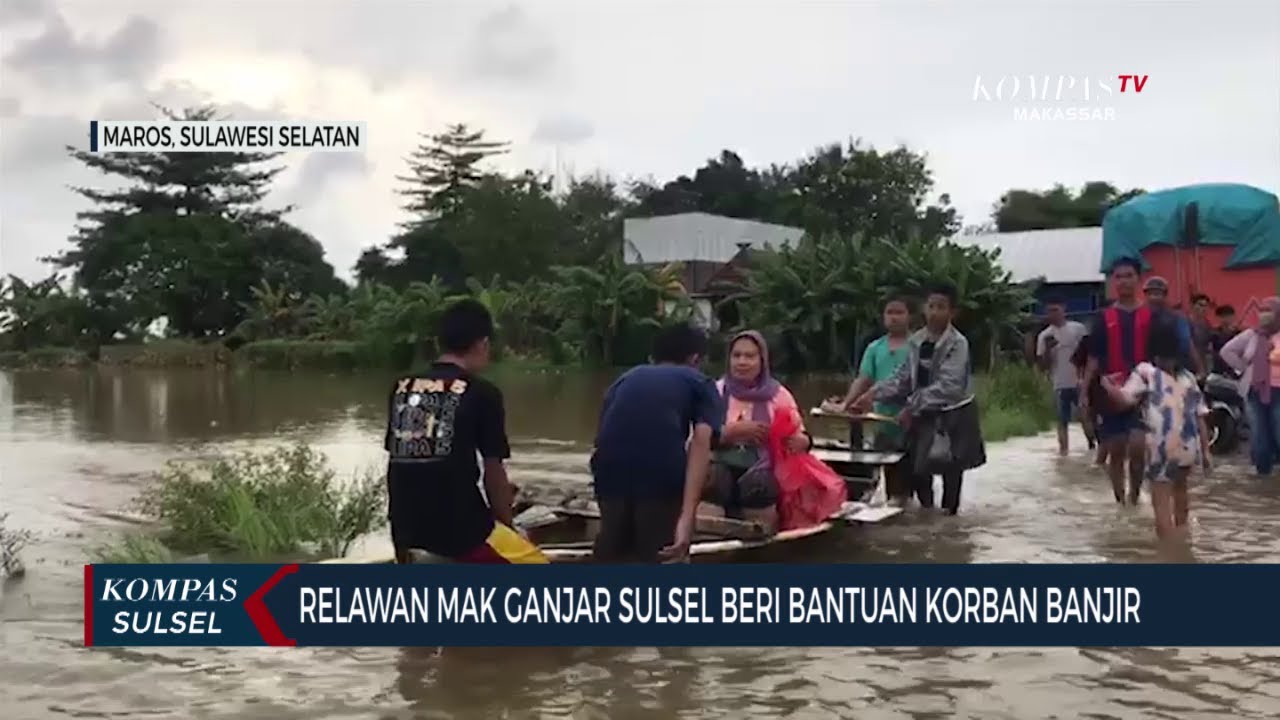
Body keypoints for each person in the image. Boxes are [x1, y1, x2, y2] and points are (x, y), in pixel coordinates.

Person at [384, 299, 548, 564]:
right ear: (482, 344)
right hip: (462, 537)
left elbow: (401, 462)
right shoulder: (483, 393)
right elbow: (493, 475)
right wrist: (509, 530)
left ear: (440, 344)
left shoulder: (402, 388)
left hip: (405, 532)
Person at [852, 282, 986, 515]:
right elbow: (903, 378)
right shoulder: (916, 341)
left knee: (950, 476)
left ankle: (948, 529)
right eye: (931, 306)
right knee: (920, 473)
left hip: (953, 418)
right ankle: (928, 524)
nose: (934, 312)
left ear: (952, 312)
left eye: (941, 307)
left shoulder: (958, 343)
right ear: (924, 308)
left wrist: (910, 407)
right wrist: (873, 394)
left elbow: (949, 387)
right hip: (923, 417)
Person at [590, 323, 721, 562]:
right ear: (695, 359)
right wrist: (686, 517)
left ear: (654, 357)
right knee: (659, 553)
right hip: (660, 473)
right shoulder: (700, 382)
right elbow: (701, 442)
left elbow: (604, 435)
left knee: (612, 550)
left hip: (607, 471)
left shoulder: (624, 379)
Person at [1102, 315, 1211, 540]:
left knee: (1161, 502)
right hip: (1187, 446)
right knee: (1181, 495)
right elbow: (1200, 416)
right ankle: (1182, 542)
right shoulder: (1188, 378)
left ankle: (1169, 552)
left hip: (1161, 447)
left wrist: (1106, 384)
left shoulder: (1145, 373)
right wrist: (1206, 452)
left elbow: (1125, 401)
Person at [701, 330, 811, 530]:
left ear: (762, 361)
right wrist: (730, 432)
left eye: (749, 356)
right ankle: (708, 535)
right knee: (712, 478)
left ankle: (758, 540)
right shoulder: (714, 391)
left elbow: (800, 435)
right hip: (720, 466)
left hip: (762, 470)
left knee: (758, 484)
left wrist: (802, 442)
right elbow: (695, 439)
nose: (742, 362)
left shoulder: (779, 395)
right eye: (737, 356)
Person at [825, 295, 913, 503]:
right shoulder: (875, 348)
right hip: (882, 421)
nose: (894, 317)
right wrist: (846, 404)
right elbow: (863, 378)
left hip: (912, 421)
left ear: (910, 316)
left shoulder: (918, 346)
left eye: (899, 312)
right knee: (884, 477)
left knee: (912, 480)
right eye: (890, 312)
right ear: (883, 317)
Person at [1083, 258, 1151, 505]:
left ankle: (1134, 494)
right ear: (1113, 282)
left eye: (1128, 275)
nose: (1123, 281)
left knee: (1137, 445)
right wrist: (1084, 393)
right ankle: (1120, 500)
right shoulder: (1103, 318)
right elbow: (1093, 358)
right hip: (1109, 390)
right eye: (1118, 277)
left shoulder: (1149, 316)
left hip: (1144, 390)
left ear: (1138, 279)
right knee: (1116, 448)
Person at [1218, 297, 1280, 477]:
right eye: (1262, 310)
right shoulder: (1251, 335)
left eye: (1269, 310)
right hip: (1254, 392)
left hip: (1279, 391)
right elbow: (1226, 351)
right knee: (1259, 436)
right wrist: (1244, 368)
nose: (1265, 314)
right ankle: (1263, 479)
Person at [1036, 297, 1089, 456]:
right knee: (1062, 420)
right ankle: (1063, 453)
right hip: (1059, 383)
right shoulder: (1044, 336)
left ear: (1063, 309)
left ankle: (1093, 447)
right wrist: (1047, 349)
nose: (1053, 314)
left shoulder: (1078, 329)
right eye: (1049, 311)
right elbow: (1043, 366)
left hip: (1080, 381)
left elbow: (1089, 354)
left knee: (1086, 417)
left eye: (1055, 310)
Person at [1142, 276, 1204, 377]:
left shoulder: (1177, 318)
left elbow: (1187, 343)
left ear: (1165, 296)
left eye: (1157, 294)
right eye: (1150, 294)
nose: (1153, 298)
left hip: (1175, 369)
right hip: (1146, 370)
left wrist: (1200, 370)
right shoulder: (1140, 316)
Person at [1209, 304, 1241, 375]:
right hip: (1219, 369)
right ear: (1218, 317)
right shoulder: (1214, 333)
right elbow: (1212, 350)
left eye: (1229, 315)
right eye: (1223, 316)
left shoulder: (1240, 333)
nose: (1227, 319)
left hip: (1235, 369)